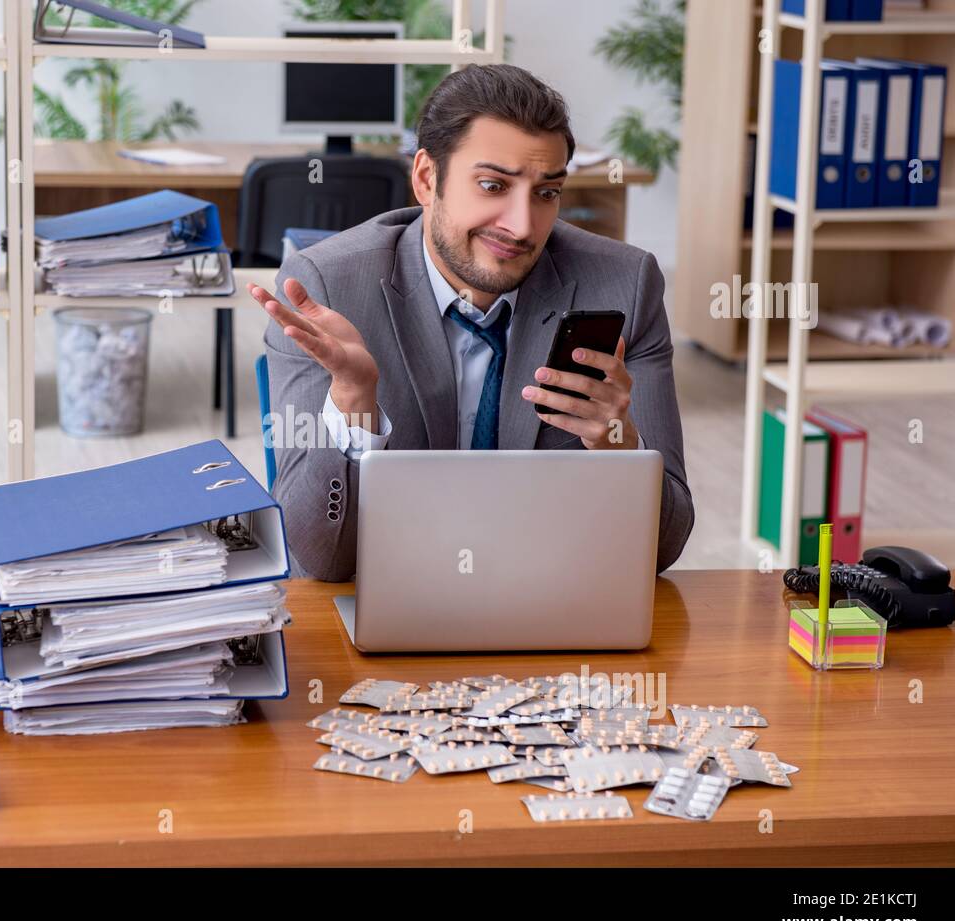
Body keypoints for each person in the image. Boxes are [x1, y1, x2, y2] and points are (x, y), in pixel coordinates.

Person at [249, 64, 694, 582]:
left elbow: (664, 548)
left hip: (547, 598)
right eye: (492, 185)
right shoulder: (326, 287)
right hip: (394, 597)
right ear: (426, 178)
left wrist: (618, 446)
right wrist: (353, 401)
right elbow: (319, 559)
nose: (522, 226)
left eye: (547, 193)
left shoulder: (626, 285)